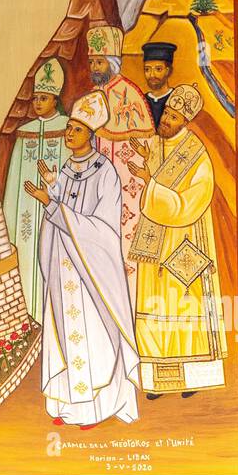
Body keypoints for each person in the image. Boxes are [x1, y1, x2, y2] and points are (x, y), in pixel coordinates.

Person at [25, 90, 140, 428]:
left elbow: (102, 230)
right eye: (69, 128)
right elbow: (63, 205)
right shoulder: (66, 168)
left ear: (90, 135)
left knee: (92, 334)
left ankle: (94, 409)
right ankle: (65, 405)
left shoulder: (106, 173)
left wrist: (51, 202)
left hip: (92, 272)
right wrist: (53, 188)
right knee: (63, 330)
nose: (68, 133)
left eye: (75, 129)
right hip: (64, 263)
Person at [129, 83, 228, 398]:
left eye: (173, 117)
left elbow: (191, 202)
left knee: (183, 307)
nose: (165, 121)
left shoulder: (196, 153)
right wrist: (148, 162)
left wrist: (150, 182)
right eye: (166, 114)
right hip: (157, 243)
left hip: (183, 242)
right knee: (152, 307)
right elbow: (158, 177)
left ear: (185, 121)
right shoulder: (157, 145)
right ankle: (158, 378)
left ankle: (193, 379)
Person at [86, 22, 153, 297]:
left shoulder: (129, 94)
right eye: (92, 62)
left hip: (126, 189)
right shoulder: (93, 95)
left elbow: (139, 145)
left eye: (100, 62)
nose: (95, 68)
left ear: (113, 62)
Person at [2, 58, 70, 320]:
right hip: (25, 218)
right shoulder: (25, 132)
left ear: (55, 99)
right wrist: (9, 221)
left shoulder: (68, 130)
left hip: (55, 213)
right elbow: (14, 182)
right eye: (35, 99)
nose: (38, 103)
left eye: (43, 98)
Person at [142, 40, 177, 130]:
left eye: (158, 69)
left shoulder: (177, 99)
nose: (152, 75)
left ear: (168, 71)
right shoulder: (141, 100)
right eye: (147, 69)